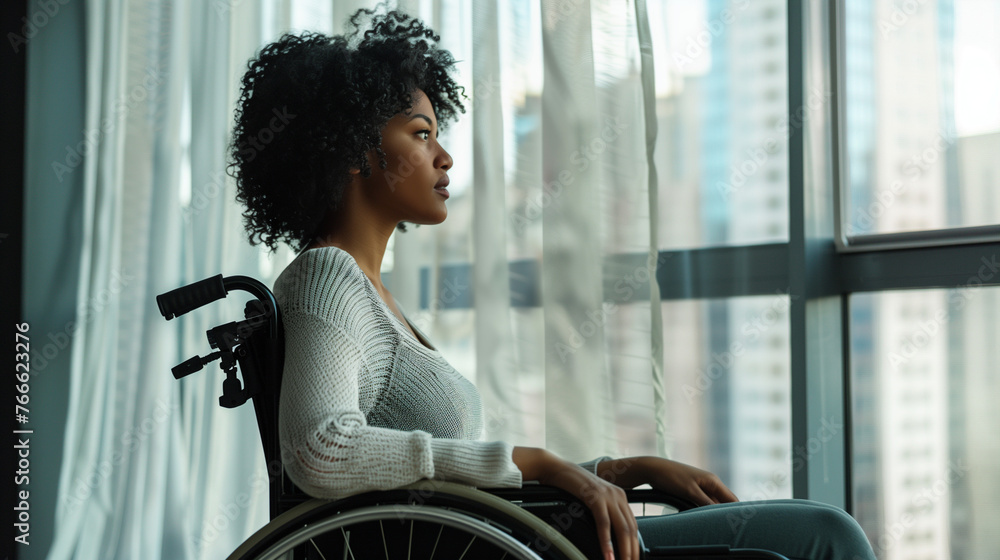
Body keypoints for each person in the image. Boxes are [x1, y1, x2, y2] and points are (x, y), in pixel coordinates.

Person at [229, 8, 876, 560]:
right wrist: (533, 459)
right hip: (510, 546)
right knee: (824, 535)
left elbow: (464, 480)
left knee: (814, 530)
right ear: (350, 149)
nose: (445, 156)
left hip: (519, 536)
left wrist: (614, 470)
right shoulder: (327, 279)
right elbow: (320, 448)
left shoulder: (374, 297)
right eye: (421, 134)